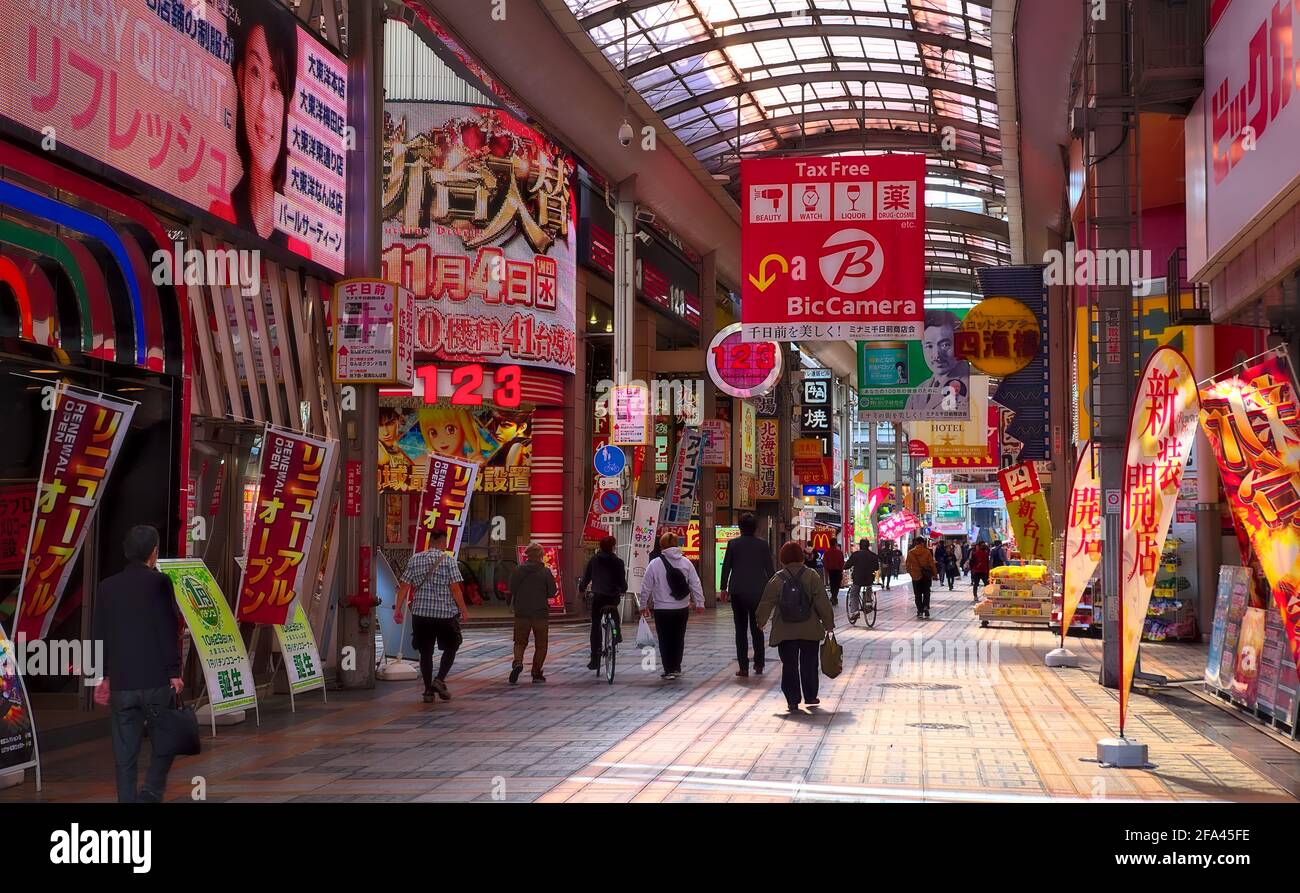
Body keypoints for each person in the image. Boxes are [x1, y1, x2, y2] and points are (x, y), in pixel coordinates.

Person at [93, 525, 184, 803]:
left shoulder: (107, 587)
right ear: (153, 553)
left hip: (122, 684)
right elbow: (167, 628)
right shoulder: (159, 582)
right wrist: (174, 672)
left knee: (124, 753)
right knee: (166, 743)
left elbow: (100, 633)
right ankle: (150, 793)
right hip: (156, 681)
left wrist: (103, 676)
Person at [210, 2, 302, 249]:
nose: (264, 106)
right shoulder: (218, 217)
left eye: (275, 85)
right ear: (240, 79)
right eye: (255, 72)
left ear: (288, 100)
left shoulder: (301, 244)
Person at [757, 542, 836, 713]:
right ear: (802, 557)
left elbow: (766, 601)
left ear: (783, 558)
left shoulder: (777, 578)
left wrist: (760, 621)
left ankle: (792, 700)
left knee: (789, 664)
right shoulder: (812, 575)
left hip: (785, 630)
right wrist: (828, 624)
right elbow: (822, 601)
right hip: (809, 629)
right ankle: (810, 696)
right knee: (809, 662)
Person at [394, 529, 469, 702]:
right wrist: (464, 610)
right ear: (442, 542)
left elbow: (404, 586)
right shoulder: (449, 561)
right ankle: (440, 679)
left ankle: (428, 691)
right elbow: (455, 589)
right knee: (452, 645)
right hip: (444, 615)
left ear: (430, 541)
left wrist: (398, 609)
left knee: (425, 652)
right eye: (445, 541)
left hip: (421, 615)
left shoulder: (415, 559)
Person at [638, 532, 704, 680]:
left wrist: (643, 605)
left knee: (665, 638)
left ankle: (668, 669)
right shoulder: (686, 562)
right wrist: (700, 603)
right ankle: (676, 667)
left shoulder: (655, 563)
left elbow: (646, 586)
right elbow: (695, 583)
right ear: (677, 544)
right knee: (678, 637)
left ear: (661, 545)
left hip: (662, 609)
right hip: (682, 607)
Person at [719, 513, 775, 677]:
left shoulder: (733, 544)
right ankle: (759, 664)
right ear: (755, 528)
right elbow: (770, 569)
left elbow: (726, 567)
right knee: (757, 628)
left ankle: (743, 667)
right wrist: (773, 591)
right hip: (758, 592)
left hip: (737, 591)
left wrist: (723, 588)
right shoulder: (763, 545)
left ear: (740, 527)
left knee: (740, 629)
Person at [904, 309, 972, 415]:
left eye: (945, 345)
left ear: (961, 344)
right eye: (929, 346)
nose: (936, 356)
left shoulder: (974, 385)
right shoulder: (917, 394)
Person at [508, 543, 556, 684]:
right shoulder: (545, 572)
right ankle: (536, 673)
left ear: (527, 555)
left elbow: (512, 588)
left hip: (521, 612)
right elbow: (552, 592)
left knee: (519, 642)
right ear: (540, 556)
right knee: (541, 644)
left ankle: (517, 662)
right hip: (540, 613)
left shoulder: (518, 570)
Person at [578, 535, 627, 670]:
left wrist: (581, 589)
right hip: (612, 596)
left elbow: (586, 578)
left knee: (596, 625)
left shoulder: (594, 560)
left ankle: (595, 658)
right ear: (613, 547)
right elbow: (622, 582)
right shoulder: (618, 562)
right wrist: (623, 590)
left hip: (598, 596)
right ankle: (617, 634)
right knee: (613, 610)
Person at [905, 537, 938, 619]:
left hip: (915, 576)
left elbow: (907, 566)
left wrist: (912, 573)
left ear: (916, 543)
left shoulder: (911, 553)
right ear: (922, 543)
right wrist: (935, 574)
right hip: (926, 576)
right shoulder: (927, 552)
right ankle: (926, 607)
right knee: (926, 592)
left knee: (917, 594)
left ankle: (920, 611)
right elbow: (931, 564)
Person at [844, 538, 881, 608]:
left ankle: (855, 611)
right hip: (869, 579)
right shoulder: (874, 556)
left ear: (860, 546)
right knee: (869, 587)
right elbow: (876, 568)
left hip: (857, 579)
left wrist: (844, 567)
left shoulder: (855, 555)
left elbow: (847, 565)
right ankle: (869, 602)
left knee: (854, 593)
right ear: (868, 546)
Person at [822, 538, 845, 606]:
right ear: (835, 543)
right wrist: (842, 569)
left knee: (832, 583)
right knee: (837, 584)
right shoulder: (839, 552)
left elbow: (825, 562)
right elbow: (842, 562)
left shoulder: (827, 552)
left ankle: (834, 597)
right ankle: (834, 597)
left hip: (831, 570)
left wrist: (826, 569)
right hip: (838, 570)